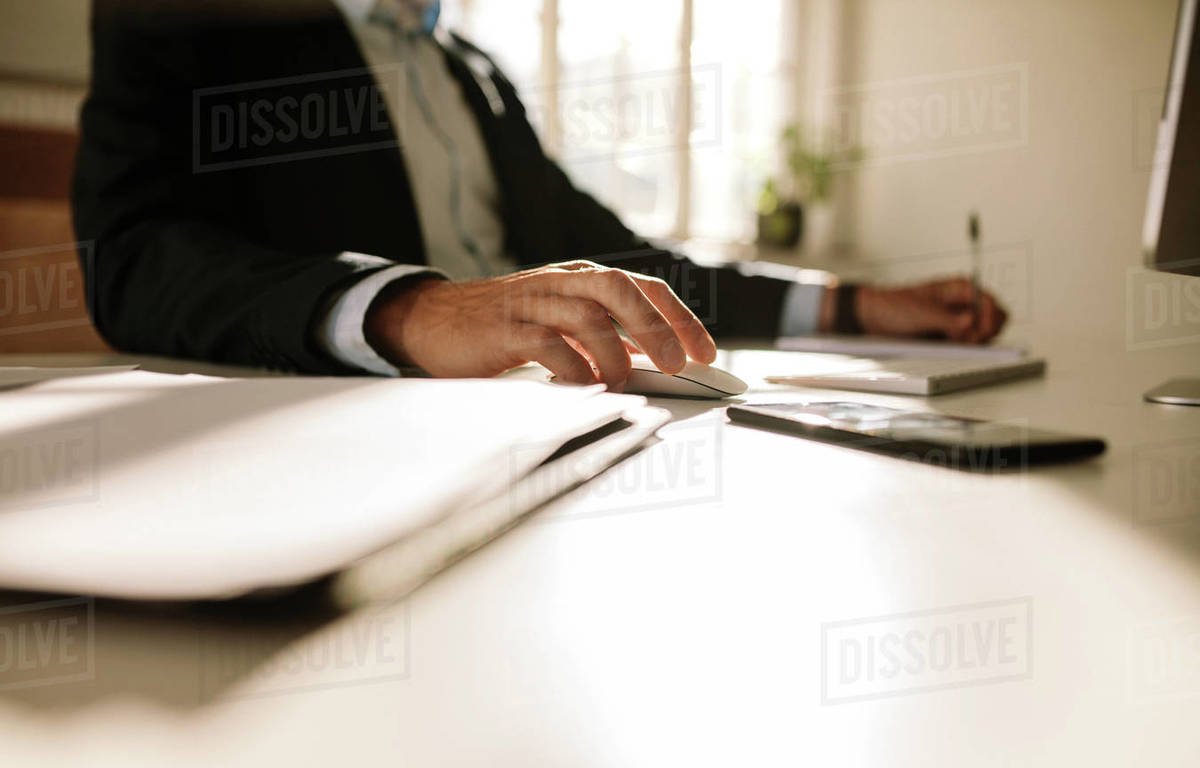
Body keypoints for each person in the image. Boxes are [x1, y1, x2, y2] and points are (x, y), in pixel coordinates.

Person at [72, 0, 1006, 390]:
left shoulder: (475, 72)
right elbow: (131, 258)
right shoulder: (192, 16)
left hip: (551, 422)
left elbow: (633, 271)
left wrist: (850, 302)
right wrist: (405, 310)